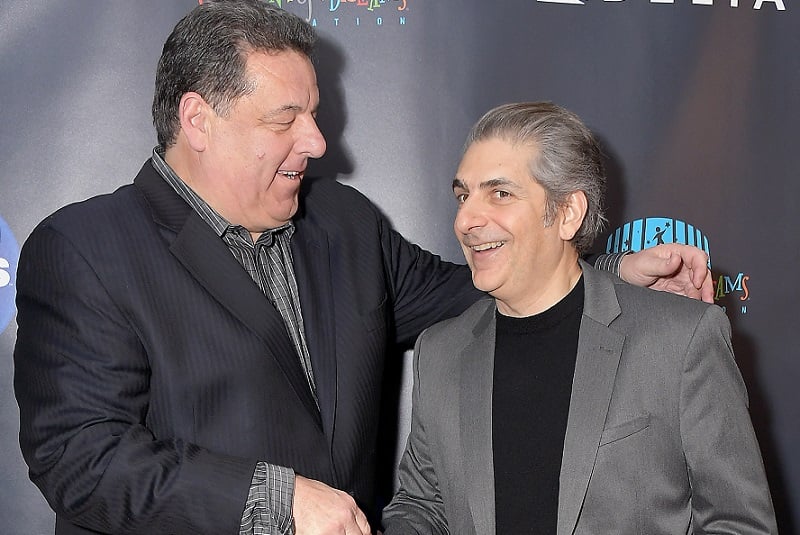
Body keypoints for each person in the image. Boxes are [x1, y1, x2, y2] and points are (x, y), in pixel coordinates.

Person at [13, 2, 713, 534]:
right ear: (199, 120)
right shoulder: (85, 248)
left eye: (314, 114)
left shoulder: (341, 221)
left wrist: (612, 278)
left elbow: (469, 295)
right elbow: (81, 458)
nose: (317, 141)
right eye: (286, 118)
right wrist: (277, 501)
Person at [381, 101, 777, 534]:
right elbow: (424, 506)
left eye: (500, 193)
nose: (466, 219)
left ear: (568, 213)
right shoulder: (441, 352)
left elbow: (738, 524)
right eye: (463, 195)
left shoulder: (680, 339)